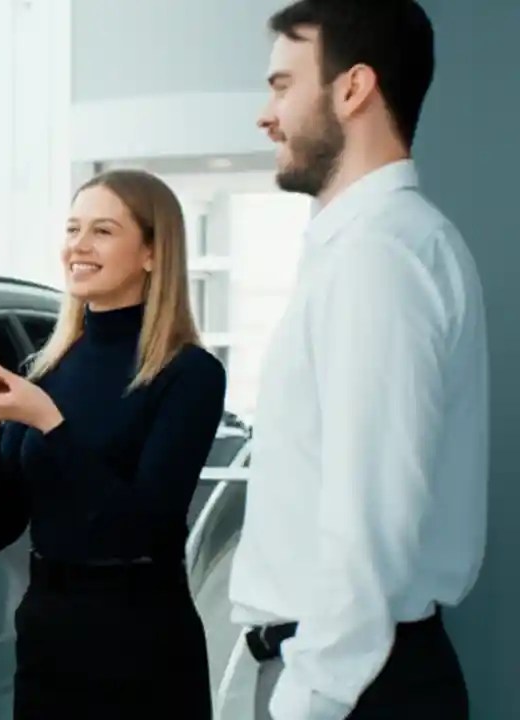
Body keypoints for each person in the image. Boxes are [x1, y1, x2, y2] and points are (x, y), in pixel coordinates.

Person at [229, 1, 487, 718]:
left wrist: (306, 702)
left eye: (282, 85)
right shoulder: (373, 247)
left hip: (350, 688)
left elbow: (369, 526)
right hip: (355, 677)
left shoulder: (377, 256)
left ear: (353, 89)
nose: (266, 113)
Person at [0, 169, 227, 718]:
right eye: (73, 228)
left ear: (152, 252)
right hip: (48, 642)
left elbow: (142, 525)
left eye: (102, 231)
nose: (78, 245)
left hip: (143, 646)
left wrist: (51, 425)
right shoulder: (46, 370)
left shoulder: (189, 374)